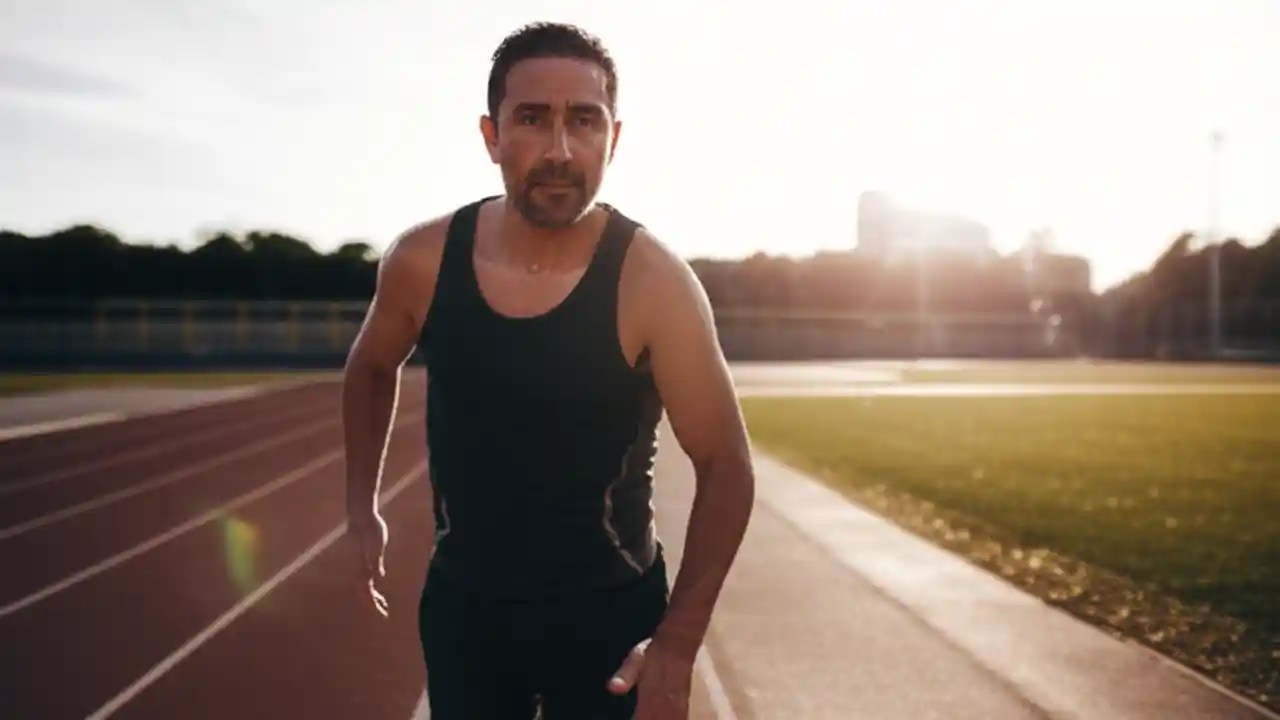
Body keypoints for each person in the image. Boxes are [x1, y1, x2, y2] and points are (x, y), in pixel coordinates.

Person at [342, 21, 755, 719]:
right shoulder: (421, 261)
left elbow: (726, 466)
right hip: (466, 610)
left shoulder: (654, 283)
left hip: (610, 618)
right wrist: (362, 506)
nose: (561, 150)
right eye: (532, 119)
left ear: (613, 139)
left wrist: (678, 645)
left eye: (584, 121)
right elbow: (370, 368)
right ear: (491, 135)